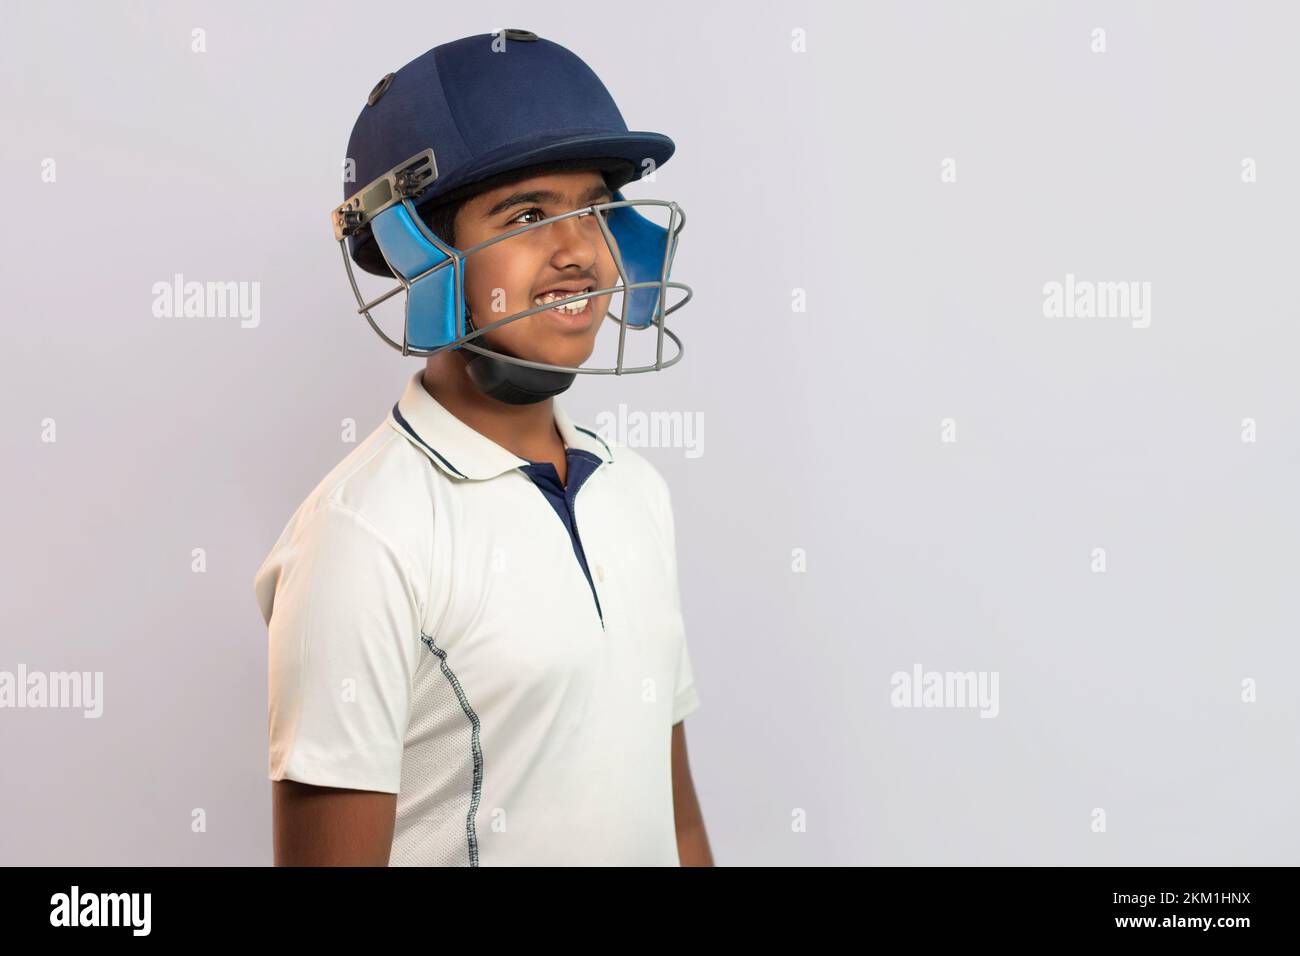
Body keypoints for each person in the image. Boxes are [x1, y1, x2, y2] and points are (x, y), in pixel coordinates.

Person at [252, 29, 711, 866]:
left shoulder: (636, 491)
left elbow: (674, 823)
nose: (579, 252)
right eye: (529, 215)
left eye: (597, 209)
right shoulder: (361, 539)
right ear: (420, 256)